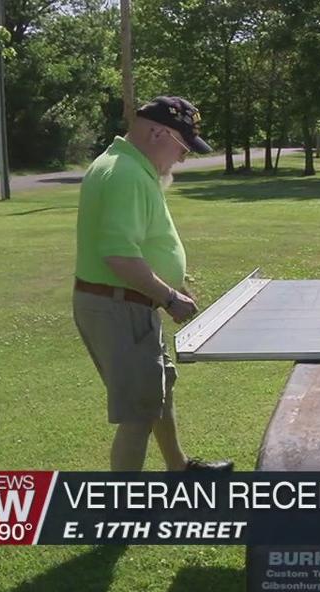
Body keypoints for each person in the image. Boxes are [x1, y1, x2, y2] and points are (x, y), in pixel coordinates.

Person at [72, 95, 232, 472]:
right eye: (182, 147)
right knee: (138, 413)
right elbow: (119, 255)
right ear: (158, 132)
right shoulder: (125, 174)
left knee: (159, 391)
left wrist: (170, 286)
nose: (183, 158)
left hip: (131, 302)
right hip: (120, 306)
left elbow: (136, 245)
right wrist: (169, 296)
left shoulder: (127, 165)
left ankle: (179, 468)